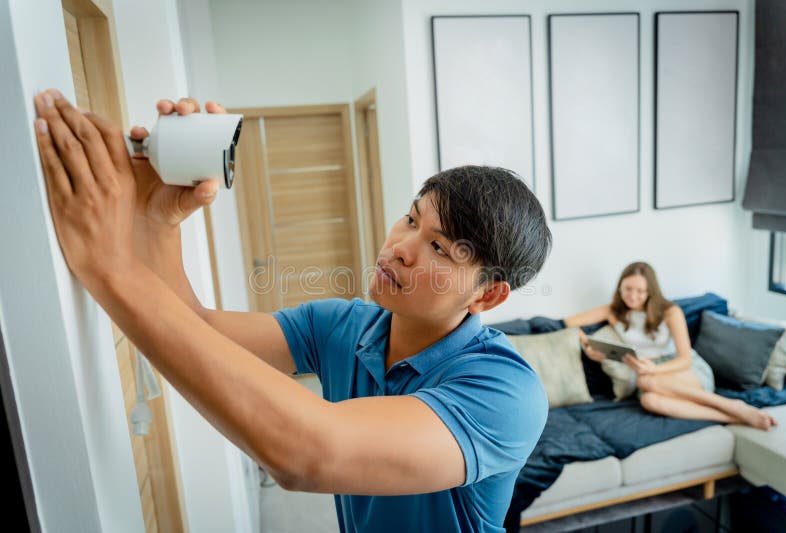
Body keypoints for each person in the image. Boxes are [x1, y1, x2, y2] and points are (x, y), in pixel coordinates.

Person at [31, 89, 552, 532]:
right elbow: (196, 331)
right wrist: (158, 224)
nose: (400, 247)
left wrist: (110, 266)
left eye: (439, 248)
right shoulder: (343, 326)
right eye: (410, 220)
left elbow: (309, 454)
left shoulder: (505, 392)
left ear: (487, 295)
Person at [564, 261, 778, 431]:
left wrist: (655, 370)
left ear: (651, 291)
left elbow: (684, 358)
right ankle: (731, 415)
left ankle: (727, 404)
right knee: (649, 400)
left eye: (640, 291)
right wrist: (588, 347)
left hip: (684, 370)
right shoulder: (613, 311)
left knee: (647, 381)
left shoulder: (670, 312)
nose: (633, 296)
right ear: (620, 287)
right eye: (628, 289)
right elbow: (568, 323)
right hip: (649, 377)